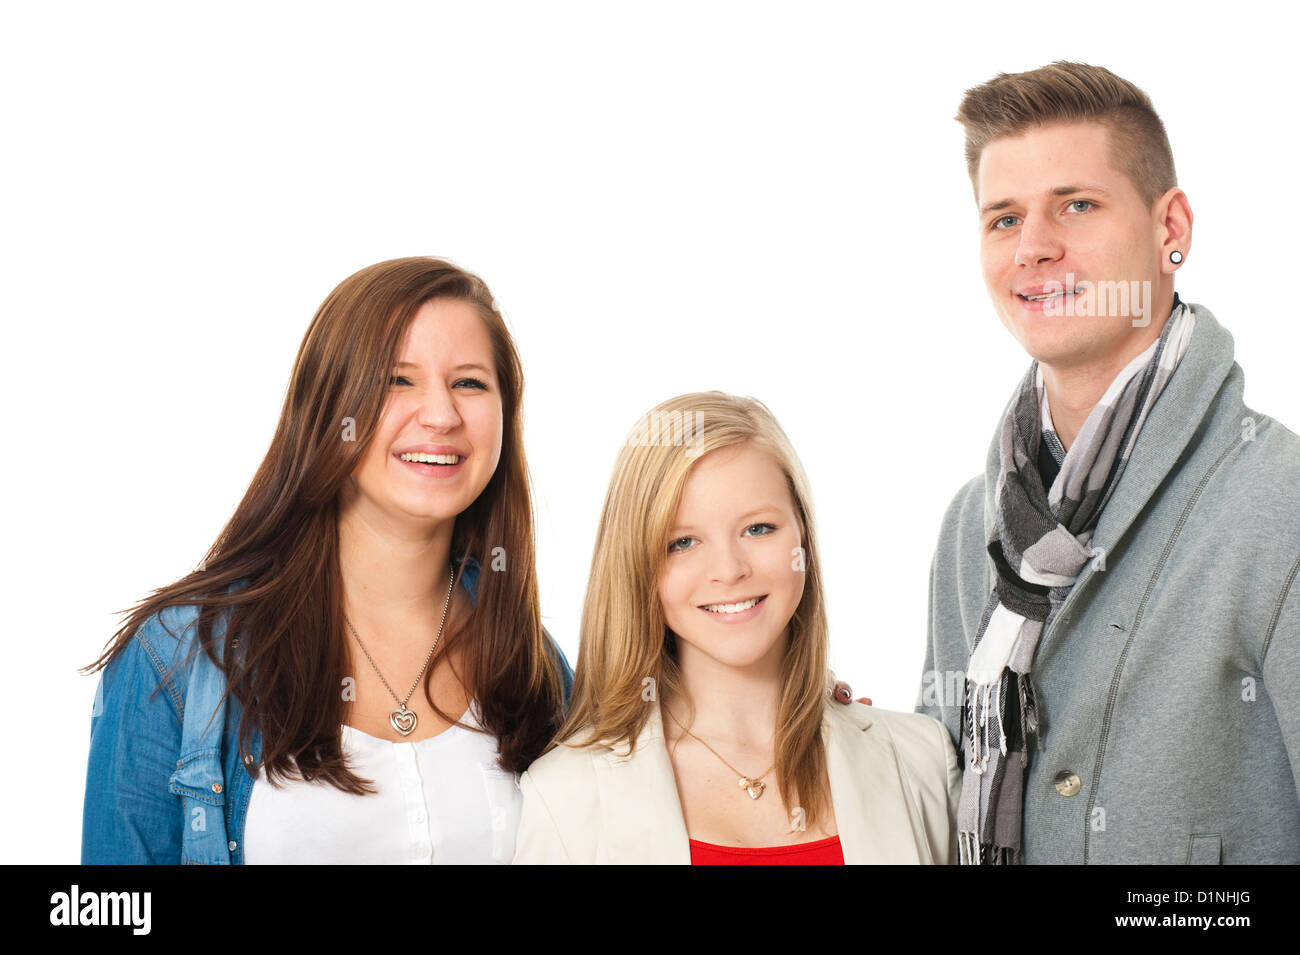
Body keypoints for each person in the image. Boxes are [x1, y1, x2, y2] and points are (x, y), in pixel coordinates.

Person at [916, 62, 1300, 863]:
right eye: (1003, 218)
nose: (1034, 248)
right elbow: (932, 791)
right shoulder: (968, 527)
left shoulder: (1279, 499)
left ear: (1173, 230)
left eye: (1077, 205)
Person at [81, 256, 573, 864]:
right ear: (326, 409)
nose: (442, 415)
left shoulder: (535, 663)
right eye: (398, 380)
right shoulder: (179, 661)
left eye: (470, 382)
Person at [514, 392, 959, 864]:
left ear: (803, 535)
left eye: (759, 529)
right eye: (683, 542)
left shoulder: (920, 760)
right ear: (637, 566)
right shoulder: (566, 797)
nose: (728, 570)